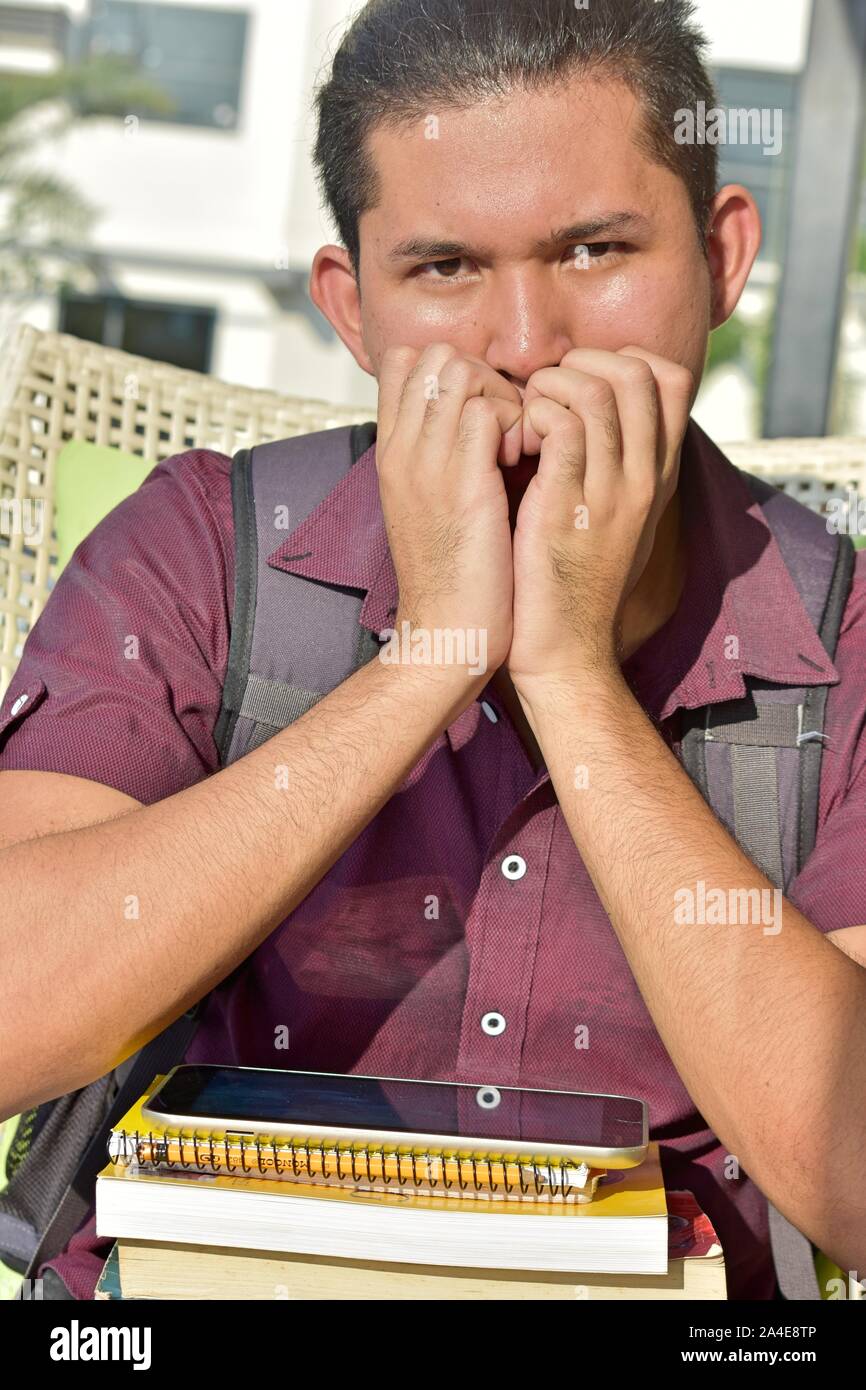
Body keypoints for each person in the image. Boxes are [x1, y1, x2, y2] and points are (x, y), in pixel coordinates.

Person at [1, 0, 865, 1301]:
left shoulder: (840, 633)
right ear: (353, 310)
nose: (525, 344)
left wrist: (568, 676)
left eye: (593, 248)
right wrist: (428, 661)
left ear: (721, 255)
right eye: (446, 270)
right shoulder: (201, 550)